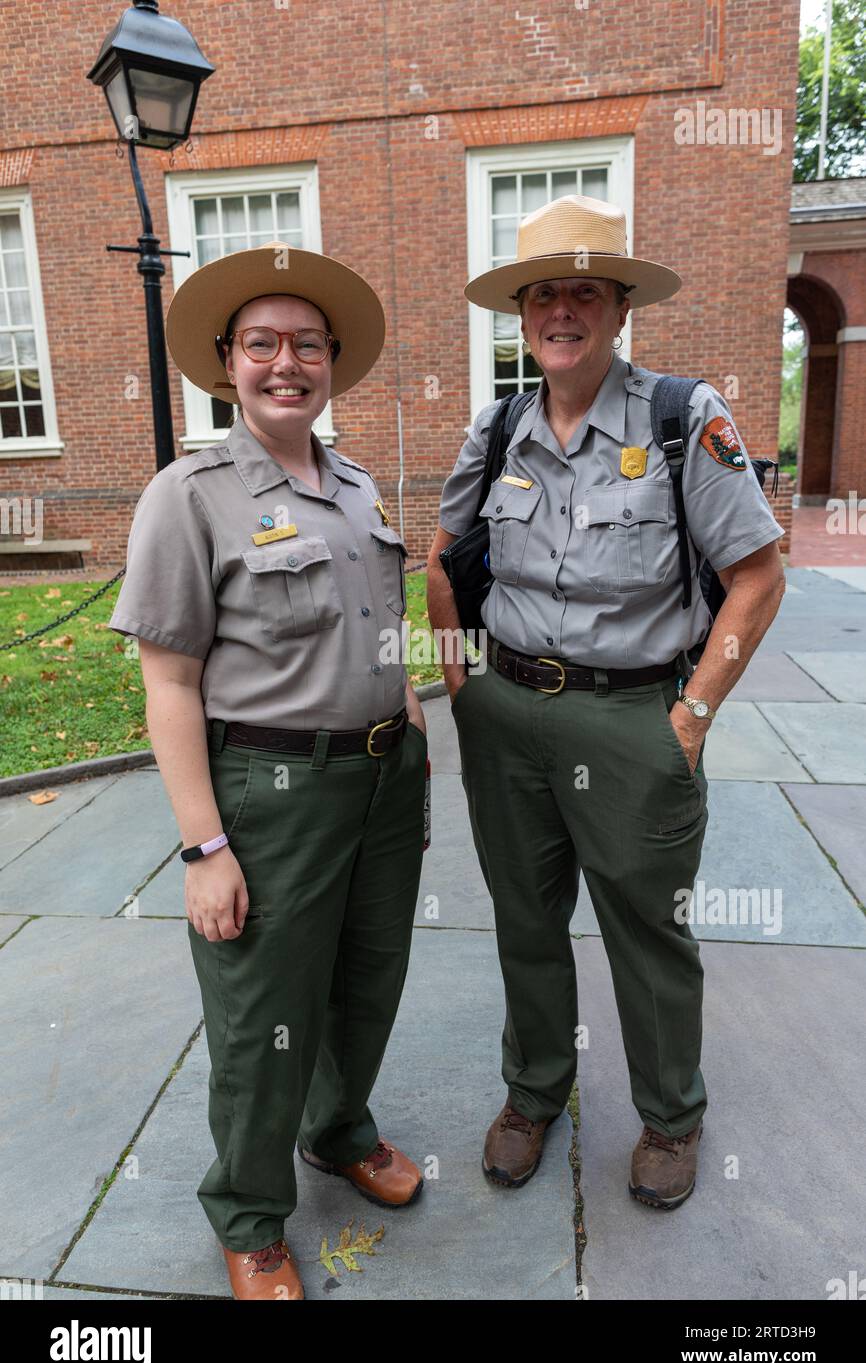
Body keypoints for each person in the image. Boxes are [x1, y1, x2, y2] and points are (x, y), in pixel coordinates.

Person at [426, 194, 785, 1211]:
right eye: (542, 291)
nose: (560, 308)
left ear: (618, 306)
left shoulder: (682, 418)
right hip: (507, 714)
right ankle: (532, 1092)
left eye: (583, 288)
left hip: (635, 720)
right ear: (521, 313)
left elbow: (757, 577)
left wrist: (693, 715)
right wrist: (458, 681)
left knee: (648, 926)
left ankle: (671, 1114)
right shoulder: (496, 425)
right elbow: (443, 557)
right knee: (522, 920)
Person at [108, 242, 428, 1300]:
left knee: (366, 978)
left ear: (330, 358)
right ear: (226, 363)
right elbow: (168, 687)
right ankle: (248, 1213)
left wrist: (405, 698)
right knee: (262, 1012)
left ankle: (338, 1129)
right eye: (260, 344)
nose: (284, 362)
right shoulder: (187, 495)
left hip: (384, 784)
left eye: (304, 344)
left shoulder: (356, 482)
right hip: (271, 796)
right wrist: (203, 846)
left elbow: (375, 620)